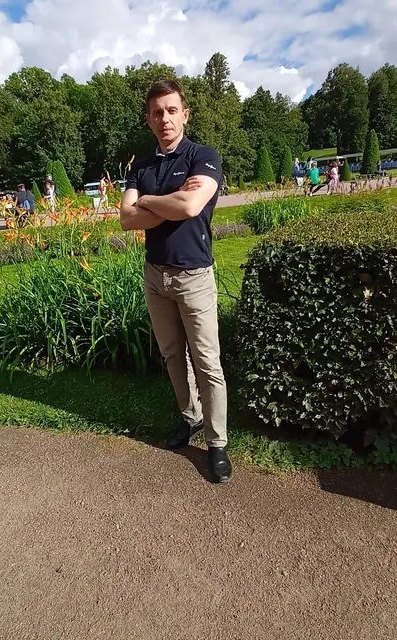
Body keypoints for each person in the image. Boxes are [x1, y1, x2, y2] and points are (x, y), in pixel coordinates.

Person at [120, 79, 232, 484]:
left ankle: (217, 443)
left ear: (185, 114)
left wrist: (148, 201)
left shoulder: (203, 156)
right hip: (155, 276)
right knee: (172, 356)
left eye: (171, 110)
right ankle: (192, 418)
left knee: (207, 361)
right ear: (149, 120)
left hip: (194, 276)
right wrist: (165, 202)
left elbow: (190, 205)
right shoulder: (141, 167)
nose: (164, 118)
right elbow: (127, 218)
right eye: (157, 112)